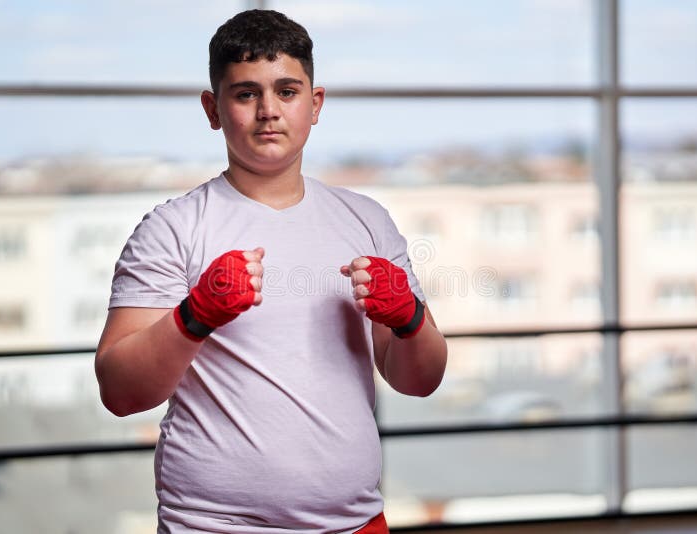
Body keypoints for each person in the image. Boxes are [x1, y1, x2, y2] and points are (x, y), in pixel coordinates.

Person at [94, 9, 447, 534]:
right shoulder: (173, 228)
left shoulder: (366, 220)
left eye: (286, 91)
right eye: (245, 94)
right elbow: (120, 393)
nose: (268, 111)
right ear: (213, 110)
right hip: (214, 527)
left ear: (315, 103)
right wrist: (194, 316)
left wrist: (411, 320)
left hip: (354, 523)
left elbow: (420, 380)